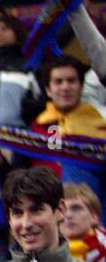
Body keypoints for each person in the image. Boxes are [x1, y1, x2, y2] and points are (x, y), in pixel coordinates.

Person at [30, 54, 106, 209]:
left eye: (71, 80)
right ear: (48, 90)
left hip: (92, 216)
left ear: (82, 86)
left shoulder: (100, 126)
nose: (65, 87)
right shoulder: (40, 127)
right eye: (58, 82)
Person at [62, 183, 106, 262]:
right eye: (62, 210)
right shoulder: (45, 251)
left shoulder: (103, 246)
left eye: (76, 208)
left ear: (94, 217)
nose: (68, 215)